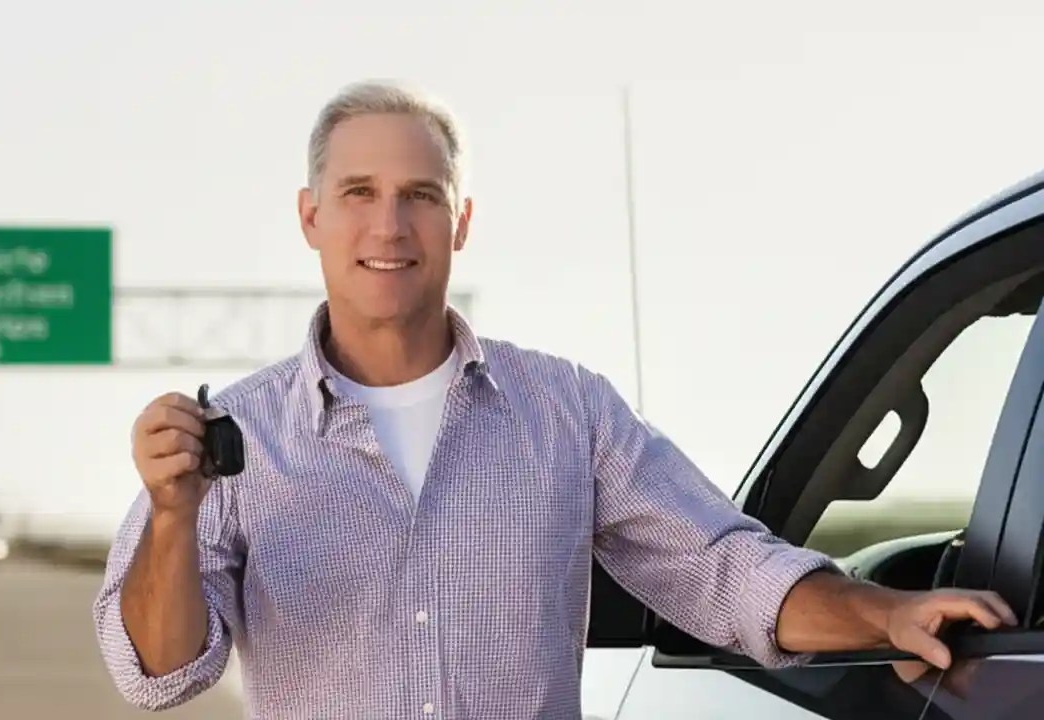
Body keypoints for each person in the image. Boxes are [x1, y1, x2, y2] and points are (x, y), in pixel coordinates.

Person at [93, 79, 1017, 718]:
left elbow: (720, 568)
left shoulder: (566, 412)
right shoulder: (231, 438)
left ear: (460, 220)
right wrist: (175, 520)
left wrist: (884, 614)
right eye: (359, 193)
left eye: (420, 194)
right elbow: (162, 674)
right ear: (311, 216)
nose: (388, 225)